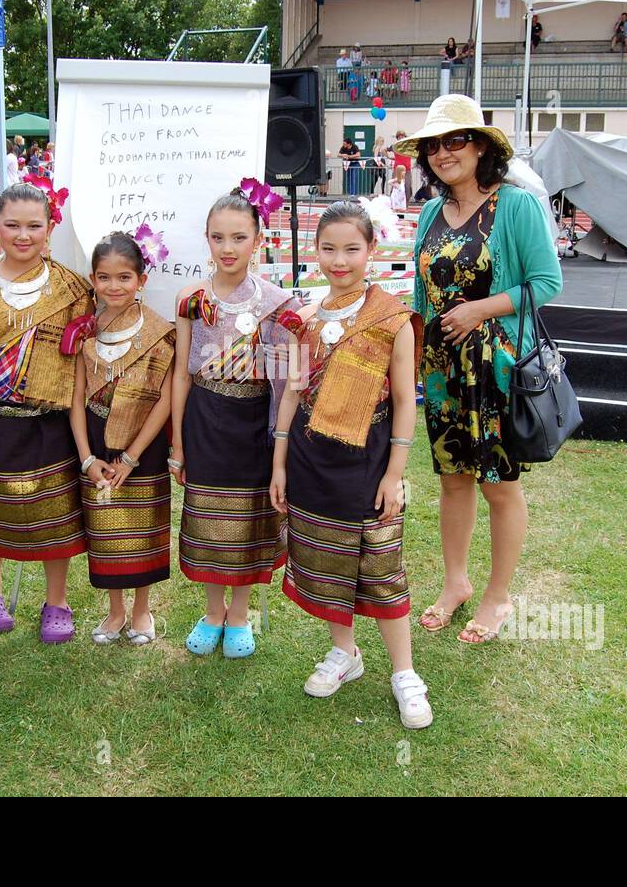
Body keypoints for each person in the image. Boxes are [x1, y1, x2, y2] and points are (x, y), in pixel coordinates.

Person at [393, 95, 562, 644]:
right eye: (434, 145)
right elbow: (422, 291)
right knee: (453, 482)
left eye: (455, 140)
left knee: (500, 486)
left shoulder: (515, 205)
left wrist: (480, 309)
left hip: (499, 367)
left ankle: (498, 596)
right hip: (443, 369)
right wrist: (414, 353)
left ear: (482, 146)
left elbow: (548, 282)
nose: (443, 152)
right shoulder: (427, 212)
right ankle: (456, 583)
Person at [270, 200, 431, 729]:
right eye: (329, 249)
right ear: (316, 252)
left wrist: (394, 474)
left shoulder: (392, 318)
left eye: (352, 249)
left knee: (381, 564)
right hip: (309, 454)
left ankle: (404, 672)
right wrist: (279, 463)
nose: (340, 261)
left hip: (370, 454)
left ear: (373, 251)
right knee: (326, 556)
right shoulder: (305, 317)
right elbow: (292, 394)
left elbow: (406, 401)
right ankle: (346, 652)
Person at [0, 182, 94, 640]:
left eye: (35, 225)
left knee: (56, 515)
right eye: (12, 225)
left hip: (52, 425)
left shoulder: (72, 289)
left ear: (51, 228)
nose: (23, 235)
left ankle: (57, 602)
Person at [171, 186, 297, 659]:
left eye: (239, 237)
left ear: (258, 239)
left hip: (255, 425)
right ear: (206, 239)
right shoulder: (190, 299)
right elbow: (183, 374)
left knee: (248, 520)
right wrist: (179, 444)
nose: (228, 248)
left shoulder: (279, 302)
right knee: (206, 520)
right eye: (218, 237)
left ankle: (240, 613)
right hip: (205, 419)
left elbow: (287, 385)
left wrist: (280, 447)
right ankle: (212, 610)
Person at [70, 232, 175, 645]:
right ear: (93, 279)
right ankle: (115, 612)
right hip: (95, 443)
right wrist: (85, 458)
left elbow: (166, 398)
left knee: (144, 526)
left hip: (143, 447)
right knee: (106, 525)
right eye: (104, 277)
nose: (114, 287)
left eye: (124, 277)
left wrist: (131, 456)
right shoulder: (83, 331)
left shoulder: (160, 332)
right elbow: (75, 399)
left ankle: (143, 609)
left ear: (141, 280)